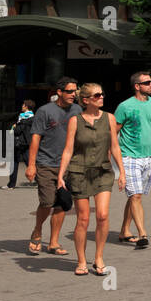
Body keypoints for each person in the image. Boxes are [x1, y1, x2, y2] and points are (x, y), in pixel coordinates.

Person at [57, 83, 125, 276]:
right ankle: (81, 261)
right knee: (83, 219)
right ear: (86, 100)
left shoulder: (110, 119)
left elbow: (115, 147)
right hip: (79, 172)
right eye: (96, 95)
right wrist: (61, 175)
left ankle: (99, 257)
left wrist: (122, 172)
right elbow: (68, 149)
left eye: (102, 94)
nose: (101, 97)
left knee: (102, 215)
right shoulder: (75, 121)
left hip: (103, 172)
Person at [24, 78, 80, 255]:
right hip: (46, 163)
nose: (73, 95)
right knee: (47, 202)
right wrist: (31, 165)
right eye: (70, 91)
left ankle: (54, 242)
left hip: (68, 165)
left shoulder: (77, 110)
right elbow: (35, 138)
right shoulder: (45, 111)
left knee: (62, 203)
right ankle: (38, 230)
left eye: (75, 91)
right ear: (59, 92)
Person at [115, 71, 151, 249]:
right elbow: (113, 131)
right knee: (136, 195)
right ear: (137, 86)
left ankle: (124, 230)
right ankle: (142, 234)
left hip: (148, 156)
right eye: (147, 82)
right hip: (129, 156)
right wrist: (111, 154)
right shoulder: (125, 106)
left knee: (134, 196)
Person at [6, 99, 36, 189]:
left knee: (14, 163)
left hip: (20, 142)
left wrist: (14, 127)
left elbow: (18, 130)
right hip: (26, 142)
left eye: (23, 105)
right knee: (28, 162)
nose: (21, 106)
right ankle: (40, 180)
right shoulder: (33, 118)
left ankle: (11, 184)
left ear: (26, 106)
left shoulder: (23, 118)